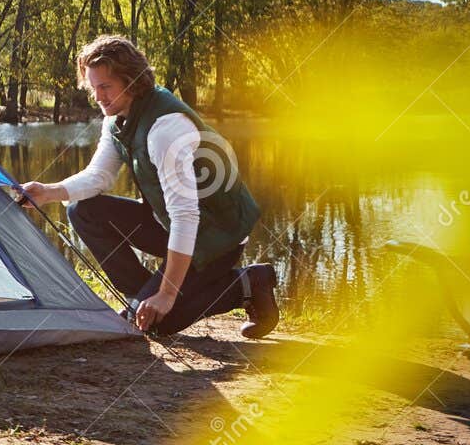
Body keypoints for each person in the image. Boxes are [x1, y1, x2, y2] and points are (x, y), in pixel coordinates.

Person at [19, 34, 279, 340]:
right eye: (93, 88)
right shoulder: (118, 117)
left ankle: (250, 283)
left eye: (105, 87)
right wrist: (48, 192)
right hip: (173, 229)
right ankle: (141, 300)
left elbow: (186, 216)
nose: (98, 96)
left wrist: (167, 295)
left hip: (216, 238)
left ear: (131, 81)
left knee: (157, 324)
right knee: (84, 210)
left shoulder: (165, 130)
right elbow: (98, 177)